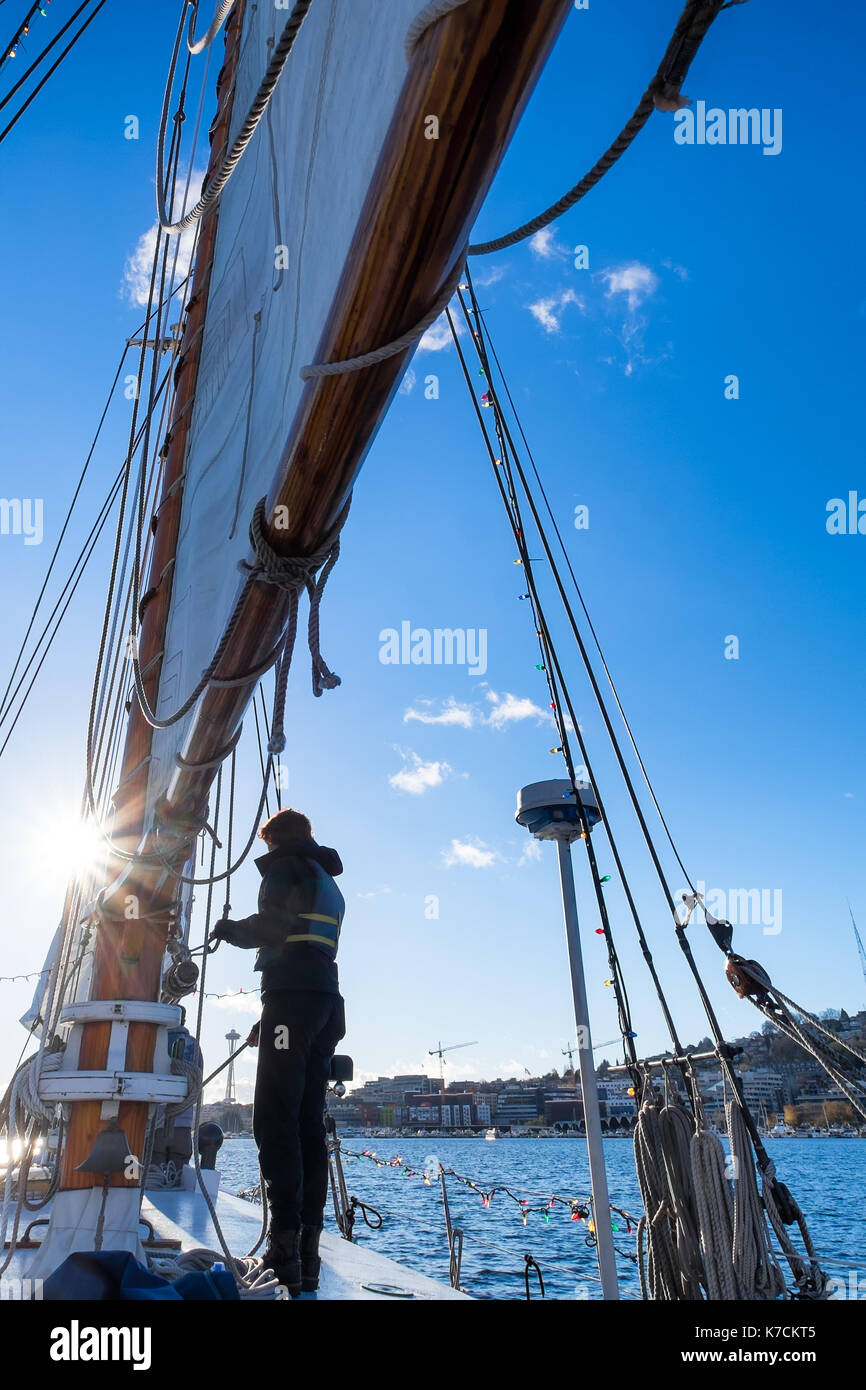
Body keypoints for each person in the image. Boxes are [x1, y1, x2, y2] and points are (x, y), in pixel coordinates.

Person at [212, 808, 345, 1297]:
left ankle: (282, 1251)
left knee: (273, 1118)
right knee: (307, 1122)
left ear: (275, 842)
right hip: (322, 1005)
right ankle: (306, 1255)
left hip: (292, 1002)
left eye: (267, 844)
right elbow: (305, 947)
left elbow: (272, 929)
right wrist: (270, 1021)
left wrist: (228, 929)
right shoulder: (325, 878)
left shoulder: (285, 867)